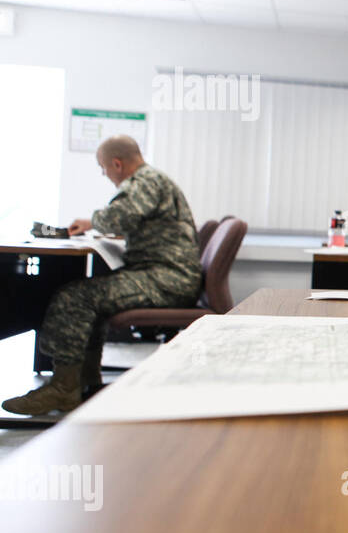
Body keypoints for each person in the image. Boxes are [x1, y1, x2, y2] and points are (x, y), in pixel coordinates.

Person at [4, 136, 201, 416]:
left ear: (117, 164)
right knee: (86, 294)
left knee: (75, 297)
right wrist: (93, 223)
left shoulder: (144, 181)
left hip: (166, 279)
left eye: (103, 168)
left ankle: (63, 388)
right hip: (167, 275)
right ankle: (84, 381)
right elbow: (131, 219)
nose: (105, 174)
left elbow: (119, 217)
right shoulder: (153, 180)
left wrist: (93, 220)